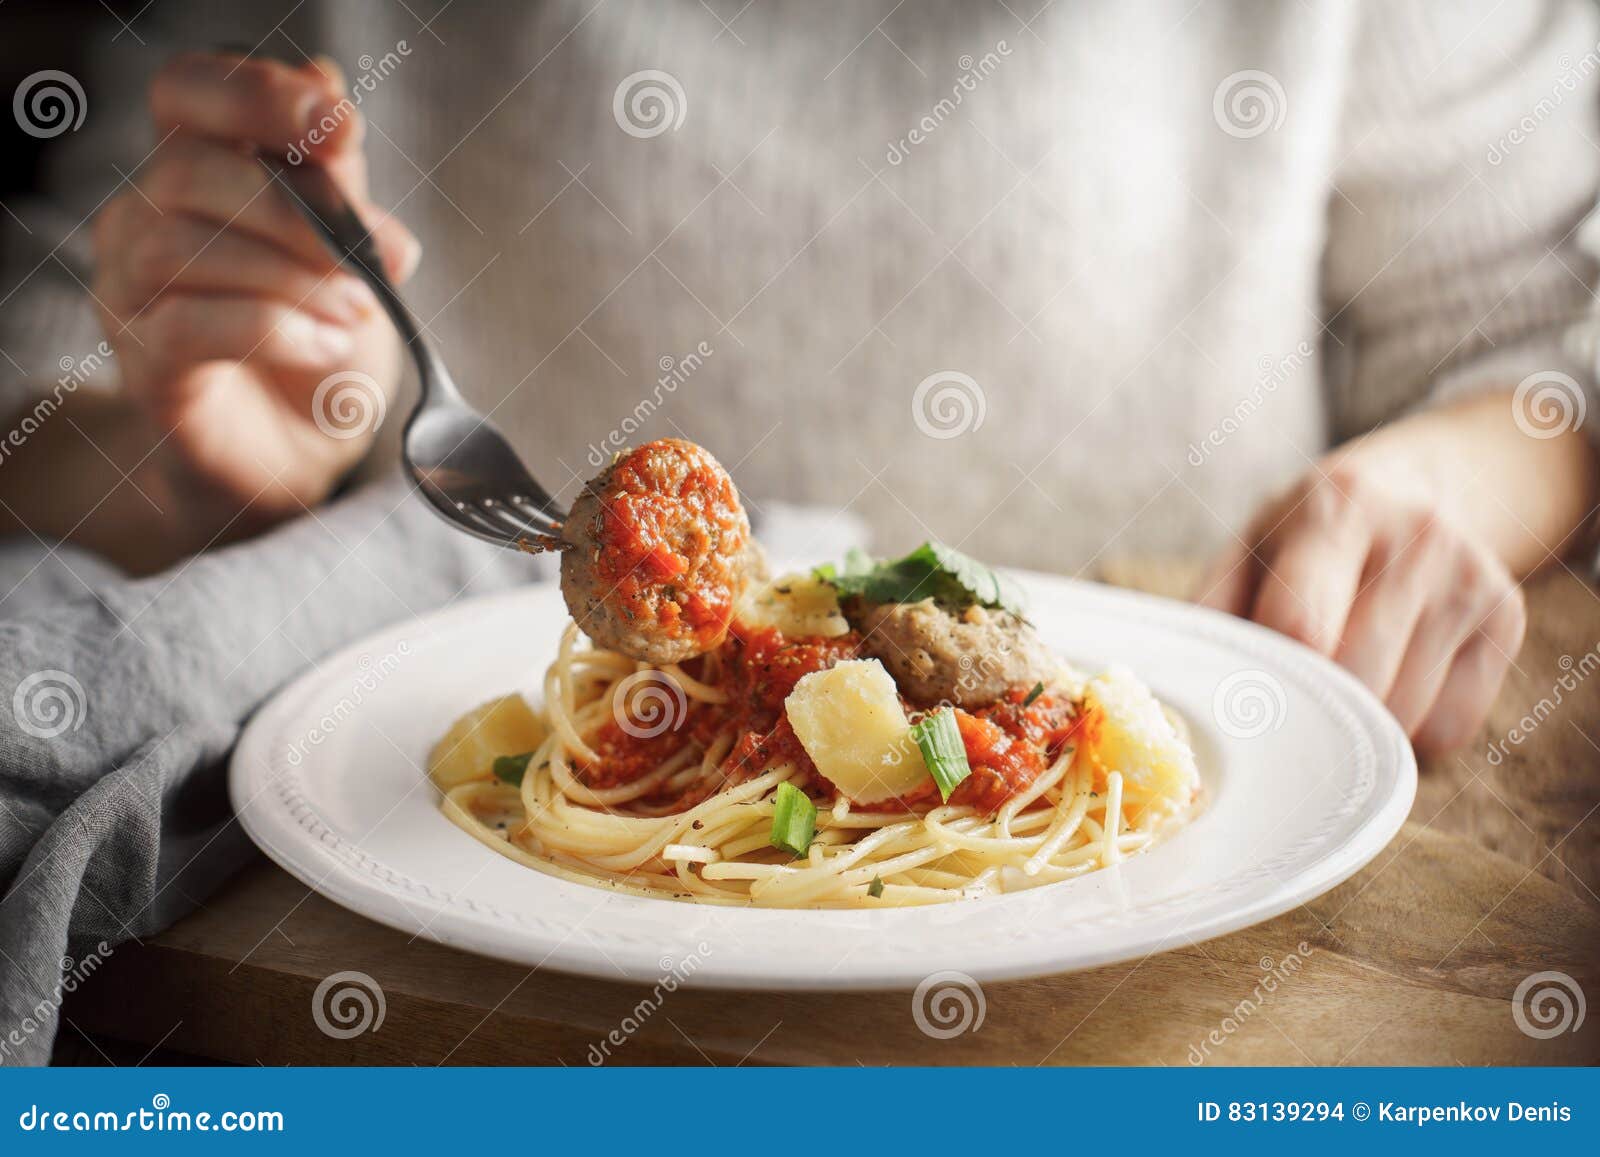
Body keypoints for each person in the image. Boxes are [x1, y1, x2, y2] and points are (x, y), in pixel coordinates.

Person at [0, 6, 1597, 1060]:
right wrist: (183, 445)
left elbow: (1540, 324)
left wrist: (1447, 486)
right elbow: (48, 356)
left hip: (1176, 990)